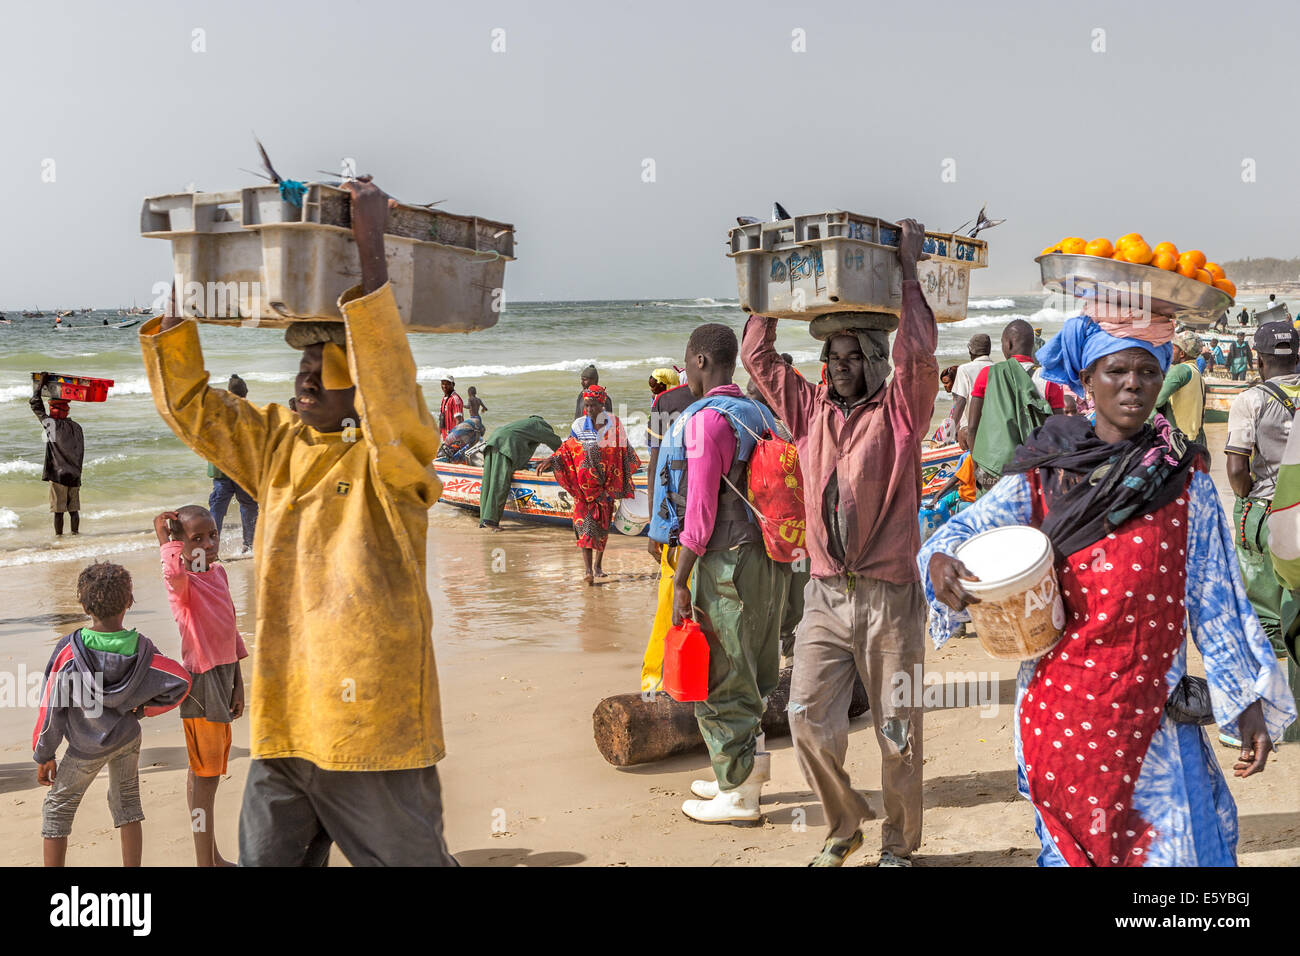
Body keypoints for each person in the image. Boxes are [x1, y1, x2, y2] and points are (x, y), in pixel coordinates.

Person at [140, 177, 457, 866]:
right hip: (285, 727)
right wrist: (181, 293)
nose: (305, 380)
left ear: (361, 380)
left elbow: (392, 393)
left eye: (327, 363)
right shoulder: (278, 444)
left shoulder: (395, 463)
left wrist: (372, 251)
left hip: (372, 731)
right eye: (303, 364)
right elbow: (192, 404)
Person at [922, 313, 1295, 867]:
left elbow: (1217, 603)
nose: (1133, 383)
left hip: (1156, 720)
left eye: (1148, 370)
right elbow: (960, 532)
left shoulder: (1183, 481)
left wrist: (1246, 703)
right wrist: (940, 564)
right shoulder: (1044, 473)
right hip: (1061, 714)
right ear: (1087, 381)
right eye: (1116, 369)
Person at [742, 218, 935, 866]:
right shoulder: (808, 410)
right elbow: (758, 360)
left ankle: (899, 847)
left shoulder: (901, 413)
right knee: (804, 715)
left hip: (890, 597)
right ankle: (845, 822)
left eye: (856, 356)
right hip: (823, 594)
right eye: (834, 356)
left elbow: (919, 355)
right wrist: (762, 286)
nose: (843, 366)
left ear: (876, 361)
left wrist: (909, 275)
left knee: (897, 732)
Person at [650, 323, 782, 826]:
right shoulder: (758, 411)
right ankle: (743, 775)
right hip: (767, 558)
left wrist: (681, 579)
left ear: (702, 361)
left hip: (726, 561)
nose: (685, 372)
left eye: (687, 362)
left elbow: (700, 516)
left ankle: (739, 796)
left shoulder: (705, 423)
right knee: (752, 665)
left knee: (721, 671)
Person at [33, 562, 191, 867]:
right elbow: (180, 681)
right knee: (127, 805)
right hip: (127, 738)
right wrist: (141, 710)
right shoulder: (142, 649)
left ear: (82, 604)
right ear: (129, 602)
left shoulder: (69, 651)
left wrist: (44, 753)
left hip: (85, 746)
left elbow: (50, 706)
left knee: (57, 810)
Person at [154, 506, 247, 867]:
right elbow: (173, 570)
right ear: (180, 544)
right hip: (203, 685)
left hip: (224, 679)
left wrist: (238, 684)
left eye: (212, 535)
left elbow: (231, 629)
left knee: (204, 775)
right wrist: (163, 537)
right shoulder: (184, 587)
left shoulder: (219, 573)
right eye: (196, 539)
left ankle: (211, 857)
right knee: (206, 779)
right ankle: (204, 863)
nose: (208, 544)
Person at [1224, 321, 1300, 747]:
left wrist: (1249, 501)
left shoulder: (1250, 400)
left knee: (1264, 615)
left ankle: (1272, 718)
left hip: (1268, 511)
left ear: (1258, 358)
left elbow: (1237, 468)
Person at [539, 385, 641, 584]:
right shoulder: (578, 425)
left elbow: (624, 453)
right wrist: (552, 460)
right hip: (583, 488)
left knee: (602, 529)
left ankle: (598, 565)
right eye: (586, 405)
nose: (589, 409)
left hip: (606, 487)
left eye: (593, 405)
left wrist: (618, 481)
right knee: (584, 526)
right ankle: (588, 570)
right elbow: (567, 449)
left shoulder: (614, 425)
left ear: (602, 404)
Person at [641, 369, 698, 691]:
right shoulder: (737, 402)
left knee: (669, 601)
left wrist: (654, 527)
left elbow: (655, 464)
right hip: (722, 527)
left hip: (677, 523)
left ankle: (657, 681)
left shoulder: (667, 402)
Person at [966, 319, 1066, 486]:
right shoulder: (1049, 380)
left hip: (993, 473)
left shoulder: (987, 374)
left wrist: (978, 470)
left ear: (1009, 344)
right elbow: (1060, 431)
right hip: (1036, 471)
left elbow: (972, 428)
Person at [478, 416, 563, 530]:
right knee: (500, 482)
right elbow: (557, 444)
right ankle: (491, 521)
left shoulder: (525, 425)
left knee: (488, 480)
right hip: (505, 444)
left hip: (493, 440)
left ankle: (484, 519)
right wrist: (569, 455)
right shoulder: (540, 426)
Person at [207, 374, 258, 554]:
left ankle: (212, 549)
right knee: (249, 507)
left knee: (217, 509)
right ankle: (249, 545)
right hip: (244, 470)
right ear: (245, 393)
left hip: (221, 470)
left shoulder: (217, 412)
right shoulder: (252, 413)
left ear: (229, 392)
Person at [30, 375, 84, 536]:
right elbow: (79, 451)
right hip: (75, 475)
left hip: (58, 475)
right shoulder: (76, 427)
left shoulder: (51, 425)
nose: (50, 411)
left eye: (52, 408)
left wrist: (40, 385)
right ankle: (75, 535)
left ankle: (59, 539)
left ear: (56, 410)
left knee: (58, 511)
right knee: (73, 510)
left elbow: (35, 405)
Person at [1155, 330, 1206, 445]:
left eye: (1173, 349)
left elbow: (1156, 401)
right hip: (1195, 437)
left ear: (1182, 353)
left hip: (1179, 439)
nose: (1170, 352)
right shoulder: (1196, 372)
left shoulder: (1180, 370)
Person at [949, 333, 994, 446]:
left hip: (970, 432)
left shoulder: (964, 369)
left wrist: (950, 432)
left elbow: (961, 401)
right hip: (994, 429)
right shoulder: (997, 368)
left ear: (970, 351)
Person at [439, 376, 464, 441]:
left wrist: (456, 440)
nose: (444, 386)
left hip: (453, 439)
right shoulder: (444, 399)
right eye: (442, 383)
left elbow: (459, 421)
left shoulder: (455, 399)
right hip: (446, 438)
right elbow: (442, 419)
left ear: (453, 384)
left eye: (447, 384)